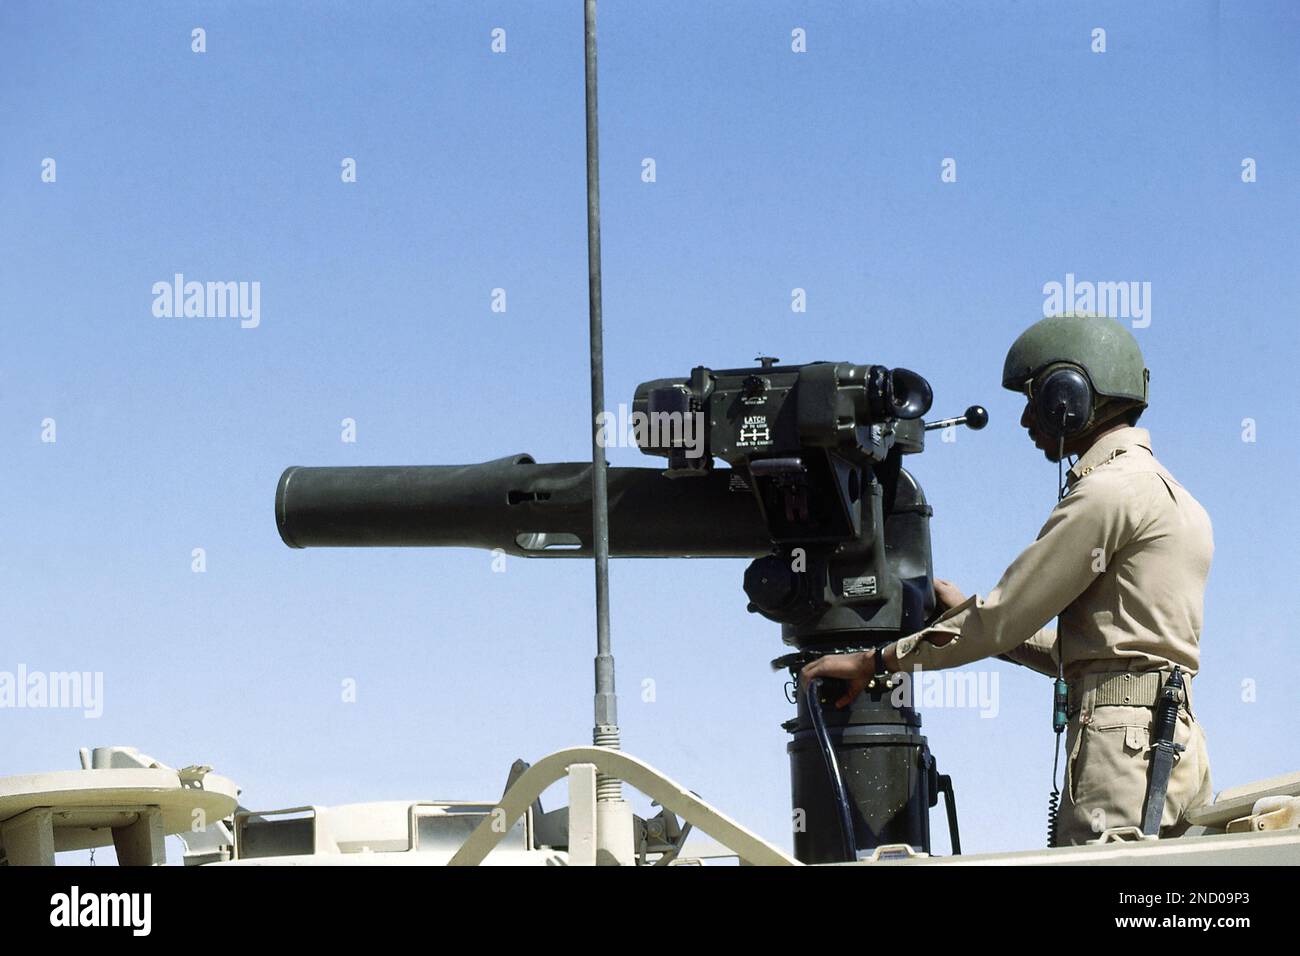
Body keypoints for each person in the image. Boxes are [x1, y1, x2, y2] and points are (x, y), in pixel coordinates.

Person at [801, 314, 1214, 846]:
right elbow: (1087, 654)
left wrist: (874, 661)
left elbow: (1000, 618)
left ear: (1070, 395)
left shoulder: (1106, 495)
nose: (1025, 419)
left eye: (1034, 397)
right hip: (1168, 741)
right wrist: (968, 614)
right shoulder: (1172, 496)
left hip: (1123, 754)